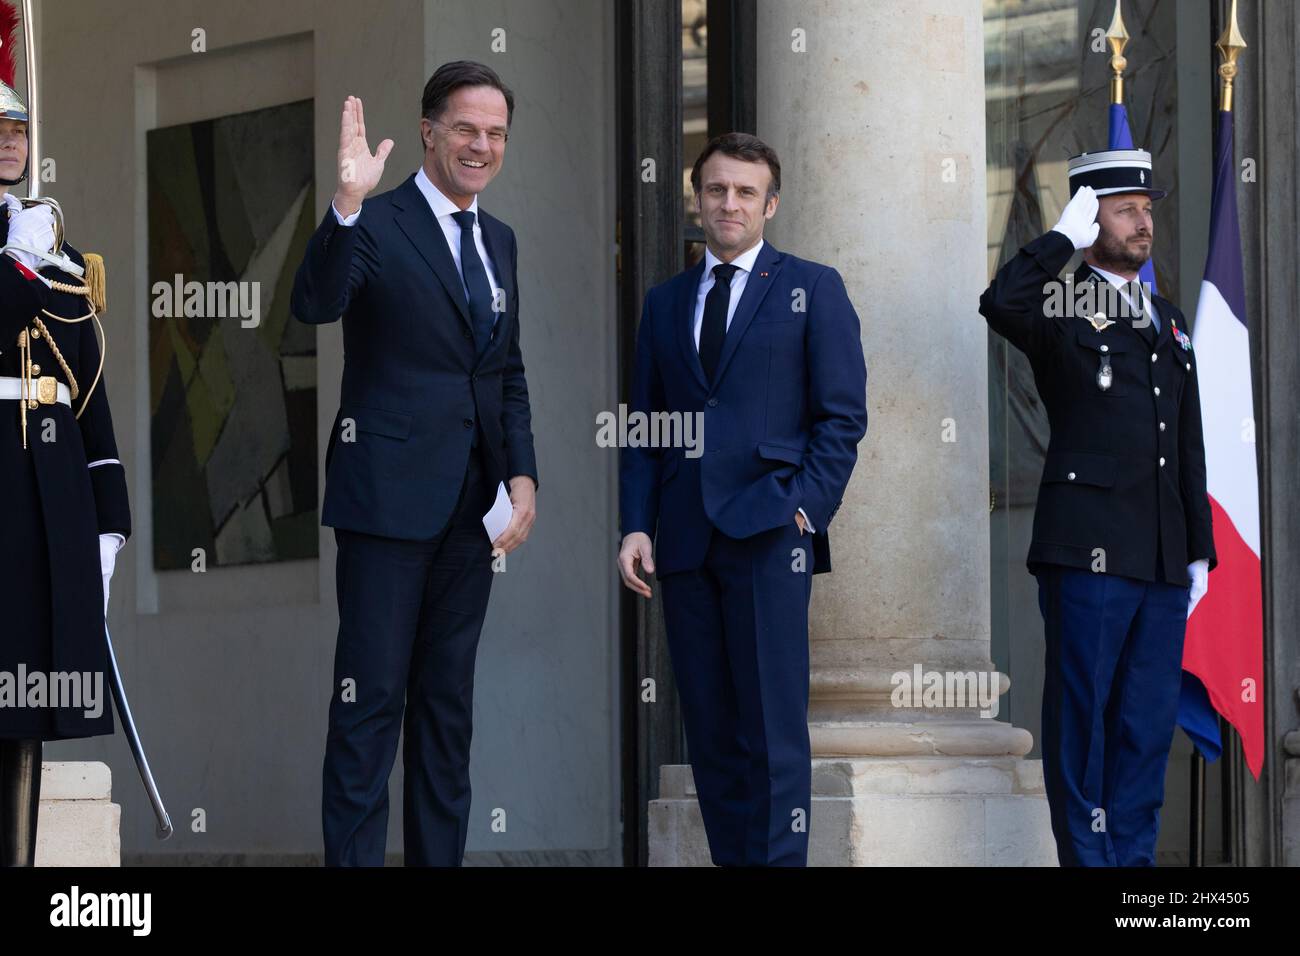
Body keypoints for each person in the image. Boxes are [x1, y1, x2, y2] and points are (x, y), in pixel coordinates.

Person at [290, 60, 538, 867]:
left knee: (446, 713)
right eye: (465, 128)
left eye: (496, 133)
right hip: (385, 504)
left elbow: (505, 372)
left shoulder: (497, 238)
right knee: (368, 709)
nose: (480, 145)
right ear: (429, 130)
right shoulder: (380, 220)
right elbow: (315, 303)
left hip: (473, 517)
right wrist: (347, 205)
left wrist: (523, 477)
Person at [618, 132, 867, 866]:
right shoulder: (665, 304)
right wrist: (637, 525)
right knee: (714, 736)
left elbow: (842, 416)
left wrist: (804, 509)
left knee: (773, 733)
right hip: (686, 540)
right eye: (717, 190)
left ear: (771, 204)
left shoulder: (812, 287)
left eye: (745, 192)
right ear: (697, 200)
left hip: (769, 533)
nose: (730, 203)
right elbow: (645, 425)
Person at [978, 148, 1216, 866]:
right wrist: (1057, 243)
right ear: (1090, 218)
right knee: (1083, 719)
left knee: (1144, 725)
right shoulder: (1060, 304)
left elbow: (1190, 441)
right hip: (1087, 549)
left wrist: (1199, 547)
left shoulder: (1168, 319)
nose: (1144, 223)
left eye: (1147, 209)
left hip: (1162, 556)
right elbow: (999, 303)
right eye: (1124, 210)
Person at [0, 76, 129, 866]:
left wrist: (109, 516)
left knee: (30, 706)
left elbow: (89, 393)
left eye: (17, 131)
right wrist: (19, 264)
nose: (10, 142)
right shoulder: (29, 253)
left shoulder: (56, 251)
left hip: (50, 497)